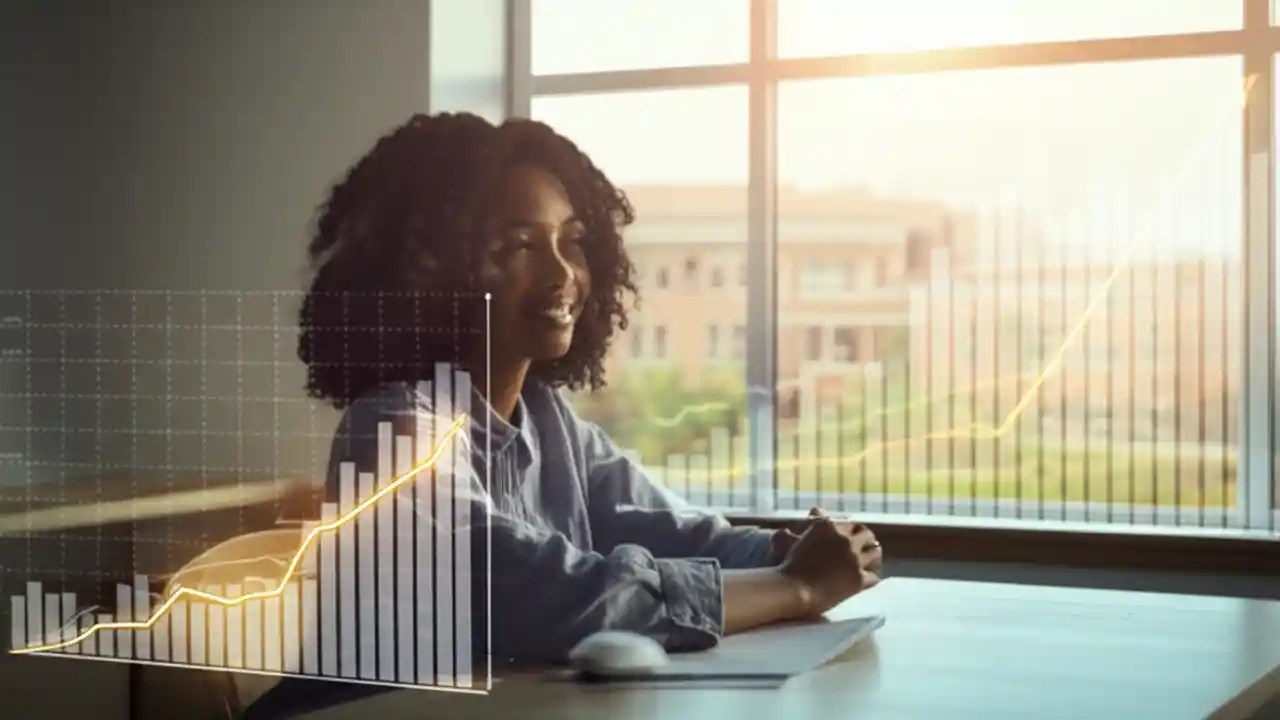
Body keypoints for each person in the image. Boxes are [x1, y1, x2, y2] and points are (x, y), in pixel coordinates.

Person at [295, 111, 883, 668]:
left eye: (572, 242)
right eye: (520, 247)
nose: (561, 275)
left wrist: (781, 550)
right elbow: (563, 597)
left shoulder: (550, 421)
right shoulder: (390, 428)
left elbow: (665, 528)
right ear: (431, 271)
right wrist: (797, 585)